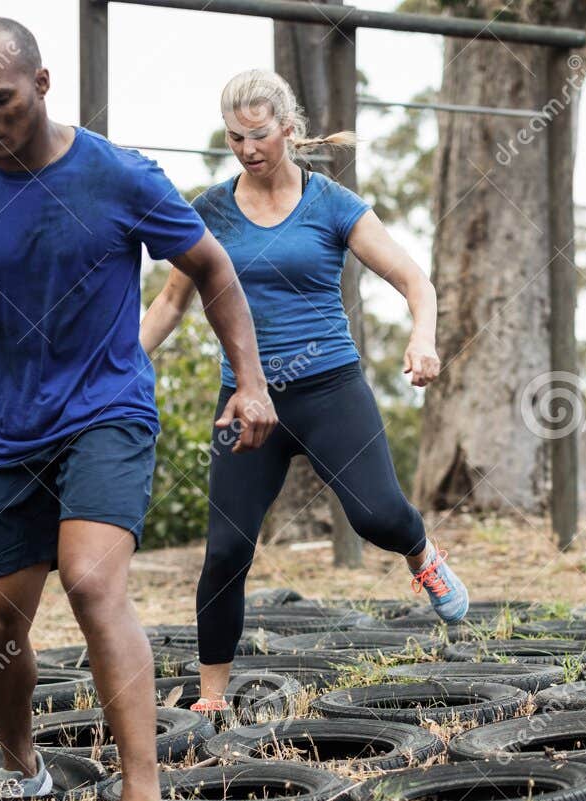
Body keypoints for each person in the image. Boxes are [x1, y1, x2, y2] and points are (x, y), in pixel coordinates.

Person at [0, 20, 274, 801]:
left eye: (0, 99)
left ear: (43, 84)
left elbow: (213, 268)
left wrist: (251, 381)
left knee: (89, 579)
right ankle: (24, 769)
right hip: (11, 435)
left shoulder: (118, 174)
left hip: (107, 412)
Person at [140, 69, 469, 715]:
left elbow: (415, 281)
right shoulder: (209, 211)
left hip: (328, 390)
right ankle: (211, 695)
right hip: (247, 400)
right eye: (235, 137)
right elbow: (170, 303)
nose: (247, 149)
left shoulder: (332, 203)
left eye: (259, 135)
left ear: (288, 130)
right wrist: (120, 363)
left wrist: (422, 339)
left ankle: (422, 554)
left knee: (377, 516)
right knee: (226, 550)